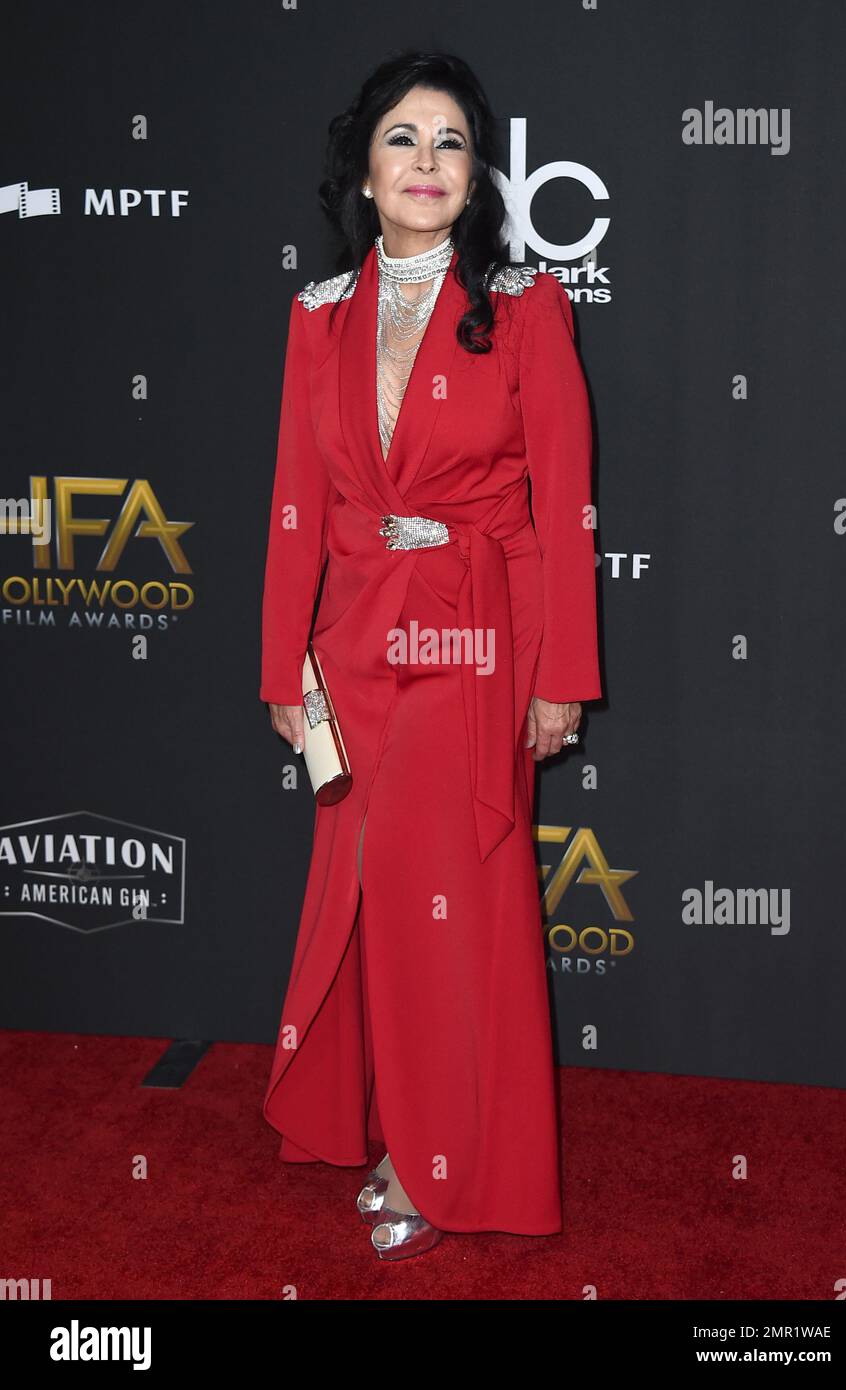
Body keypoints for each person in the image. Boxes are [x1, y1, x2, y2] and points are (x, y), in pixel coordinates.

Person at [259, 50, 602, 1261]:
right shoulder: (317, 318)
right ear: (363, 166)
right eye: (401, 138)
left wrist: (560, 671)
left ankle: (439, 1160)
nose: (424, 162)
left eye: (449, 142)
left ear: (475, 175)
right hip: (353, 642)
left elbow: (563, 504)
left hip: (474, 634)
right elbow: (295, 504)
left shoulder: (524, 305)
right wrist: (279, 670)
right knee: (368, 899)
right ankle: (394, 1125)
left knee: (444, 912)